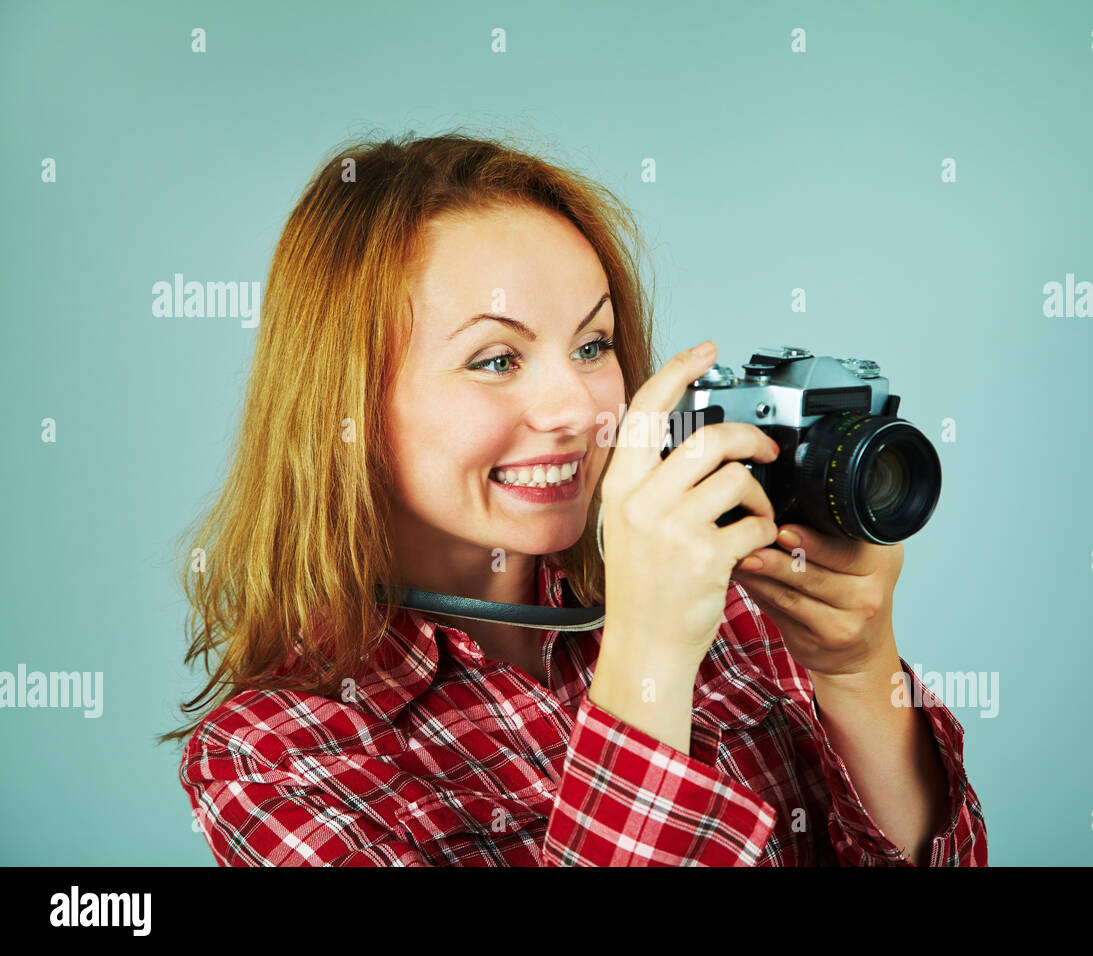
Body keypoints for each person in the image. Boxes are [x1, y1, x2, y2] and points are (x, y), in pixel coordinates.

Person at [161, 131, 988, 866]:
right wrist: (648, 663)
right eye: (495, 360)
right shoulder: (273, 758)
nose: (579, 410)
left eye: (593, 346)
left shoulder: (740, 609)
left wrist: (856, 671)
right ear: (344, 405)